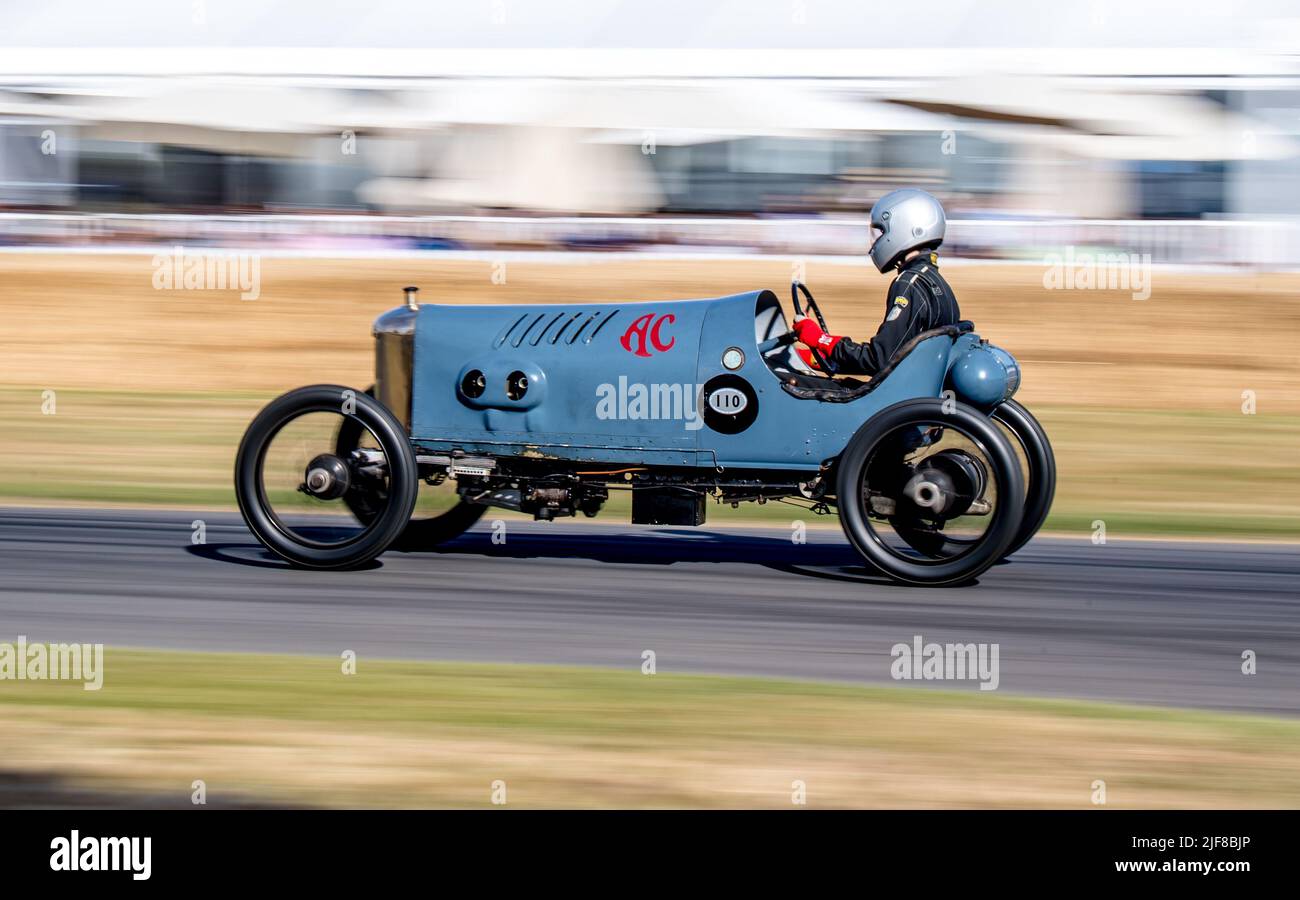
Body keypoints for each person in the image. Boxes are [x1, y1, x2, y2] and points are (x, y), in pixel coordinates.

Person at [794, 189, 961, 377]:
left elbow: (878, 360)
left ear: (905, 227)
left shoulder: (909, 284)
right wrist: (815, 358)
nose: (877, 240)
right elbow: (894, 356)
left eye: (882, 231)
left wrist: (821, 340)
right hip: (913, 385)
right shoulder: (936, 283)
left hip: (896, 395)